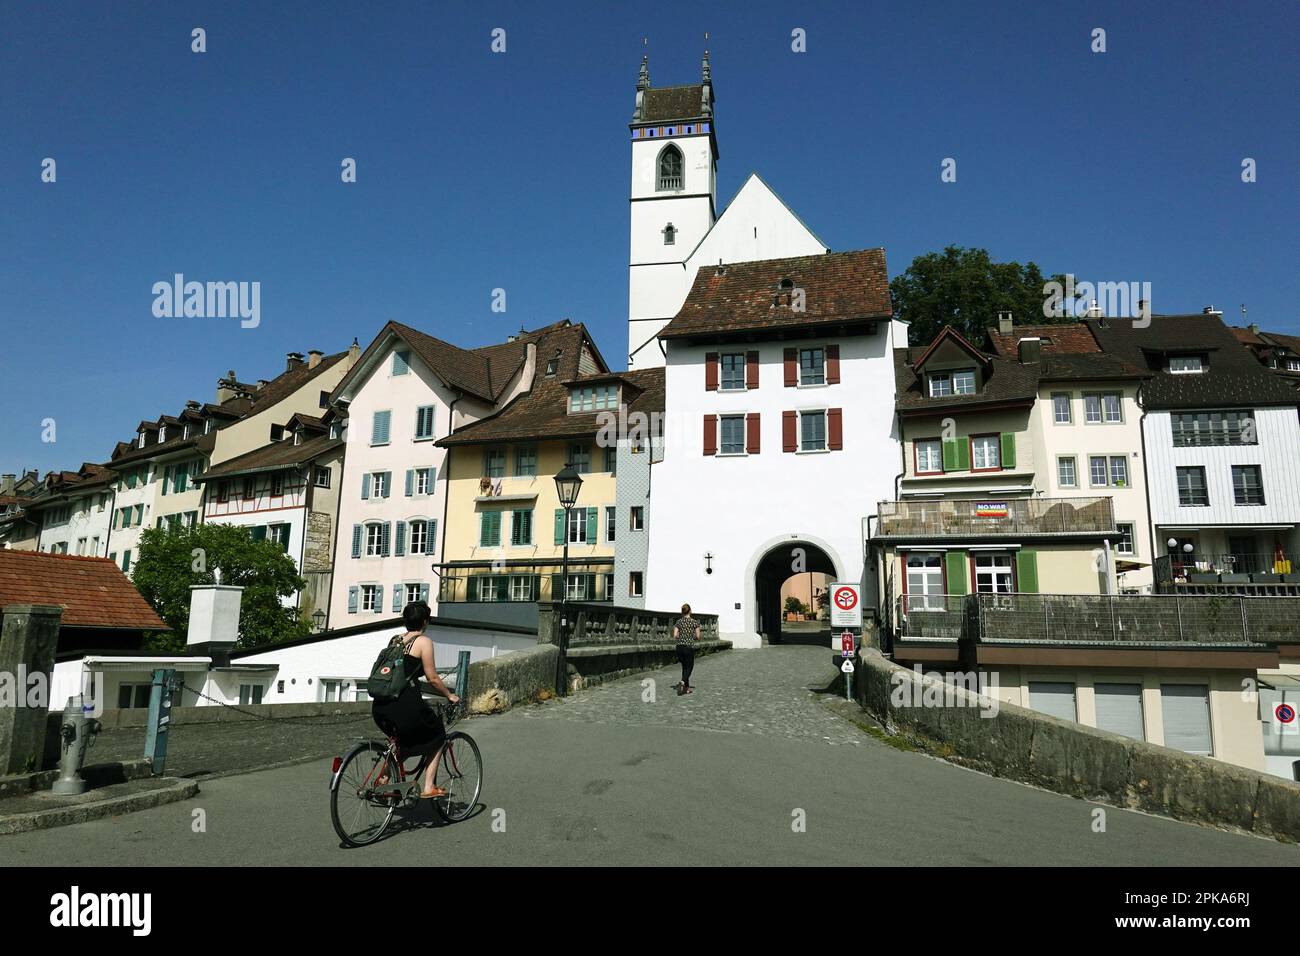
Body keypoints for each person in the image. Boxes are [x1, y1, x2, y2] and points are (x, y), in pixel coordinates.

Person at [371, 600, 460, 798]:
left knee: (403, 741)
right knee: (437, 734)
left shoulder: (395, 640)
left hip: (380, 706)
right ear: (425, 622)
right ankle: (429, 787)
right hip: (404, 706)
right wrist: (450, 695)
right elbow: (433, 678)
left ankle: (384, 779)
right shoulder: (423, 642)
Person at [672, 603, 700, 695]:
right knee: (689, 667)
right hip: (688, 647)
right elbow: (698, 636)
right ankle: (683, 682)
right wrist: (691, 637)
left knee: (684, 667)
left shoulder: (678, 622)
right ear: (690, 611)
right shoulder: (694, 622)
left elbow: (675, 636)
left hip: (679, 647)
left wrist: (681, 636)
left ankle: (686, 689)